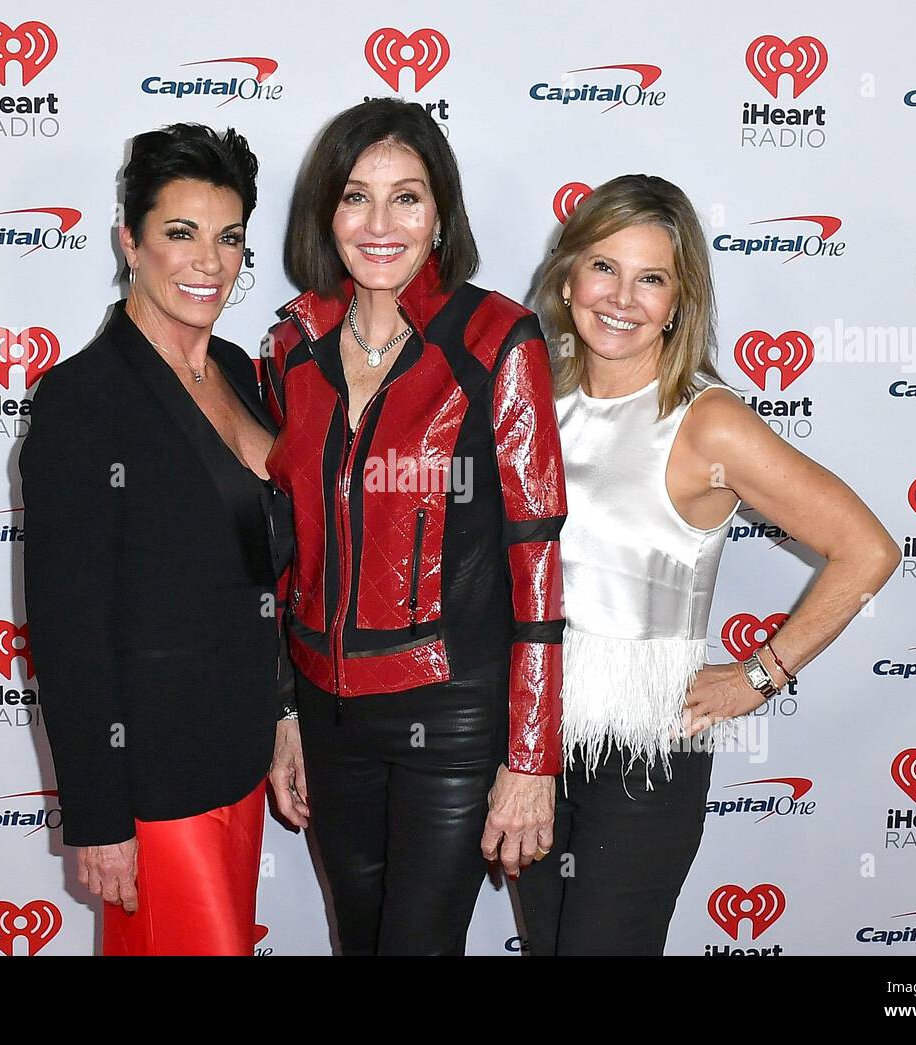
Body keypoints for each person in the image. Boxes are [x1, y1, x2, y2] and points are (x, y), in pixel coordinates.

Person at [513, 174, 901, 955]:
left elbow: (868, 548)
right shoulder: (530, 397)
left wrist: (760, 674)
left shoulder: (707, 421)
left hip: (647, 751)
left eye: (651, 277)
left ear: (680, 298)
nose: (622, 297)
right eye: (604, 268)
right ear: (567, 273)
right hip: (530, 738)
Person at [262, 98, 567, 955]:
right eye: (356, 196)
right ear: (327, 212)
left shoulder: (496, 337)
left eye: (408, 197)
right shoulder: (292, 347)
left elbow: (537, 556)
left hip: (453, 710)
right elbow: (288, 552)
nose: (380, 222)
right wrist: (284, 710)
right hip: (328, 718)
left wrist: (532, 754)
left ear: (441, 215)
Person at [20, 123, 292, 956]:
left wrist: (284, 714)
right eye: (181, 233)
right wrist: (99, 818)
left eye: (229, 237)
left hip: (241, 760)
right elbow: (68, 632)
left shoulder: (245, 370)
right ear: (129, 241)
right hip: (155, 783)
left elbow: (262, 576)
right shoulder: (83, 400)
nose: (208, 261)